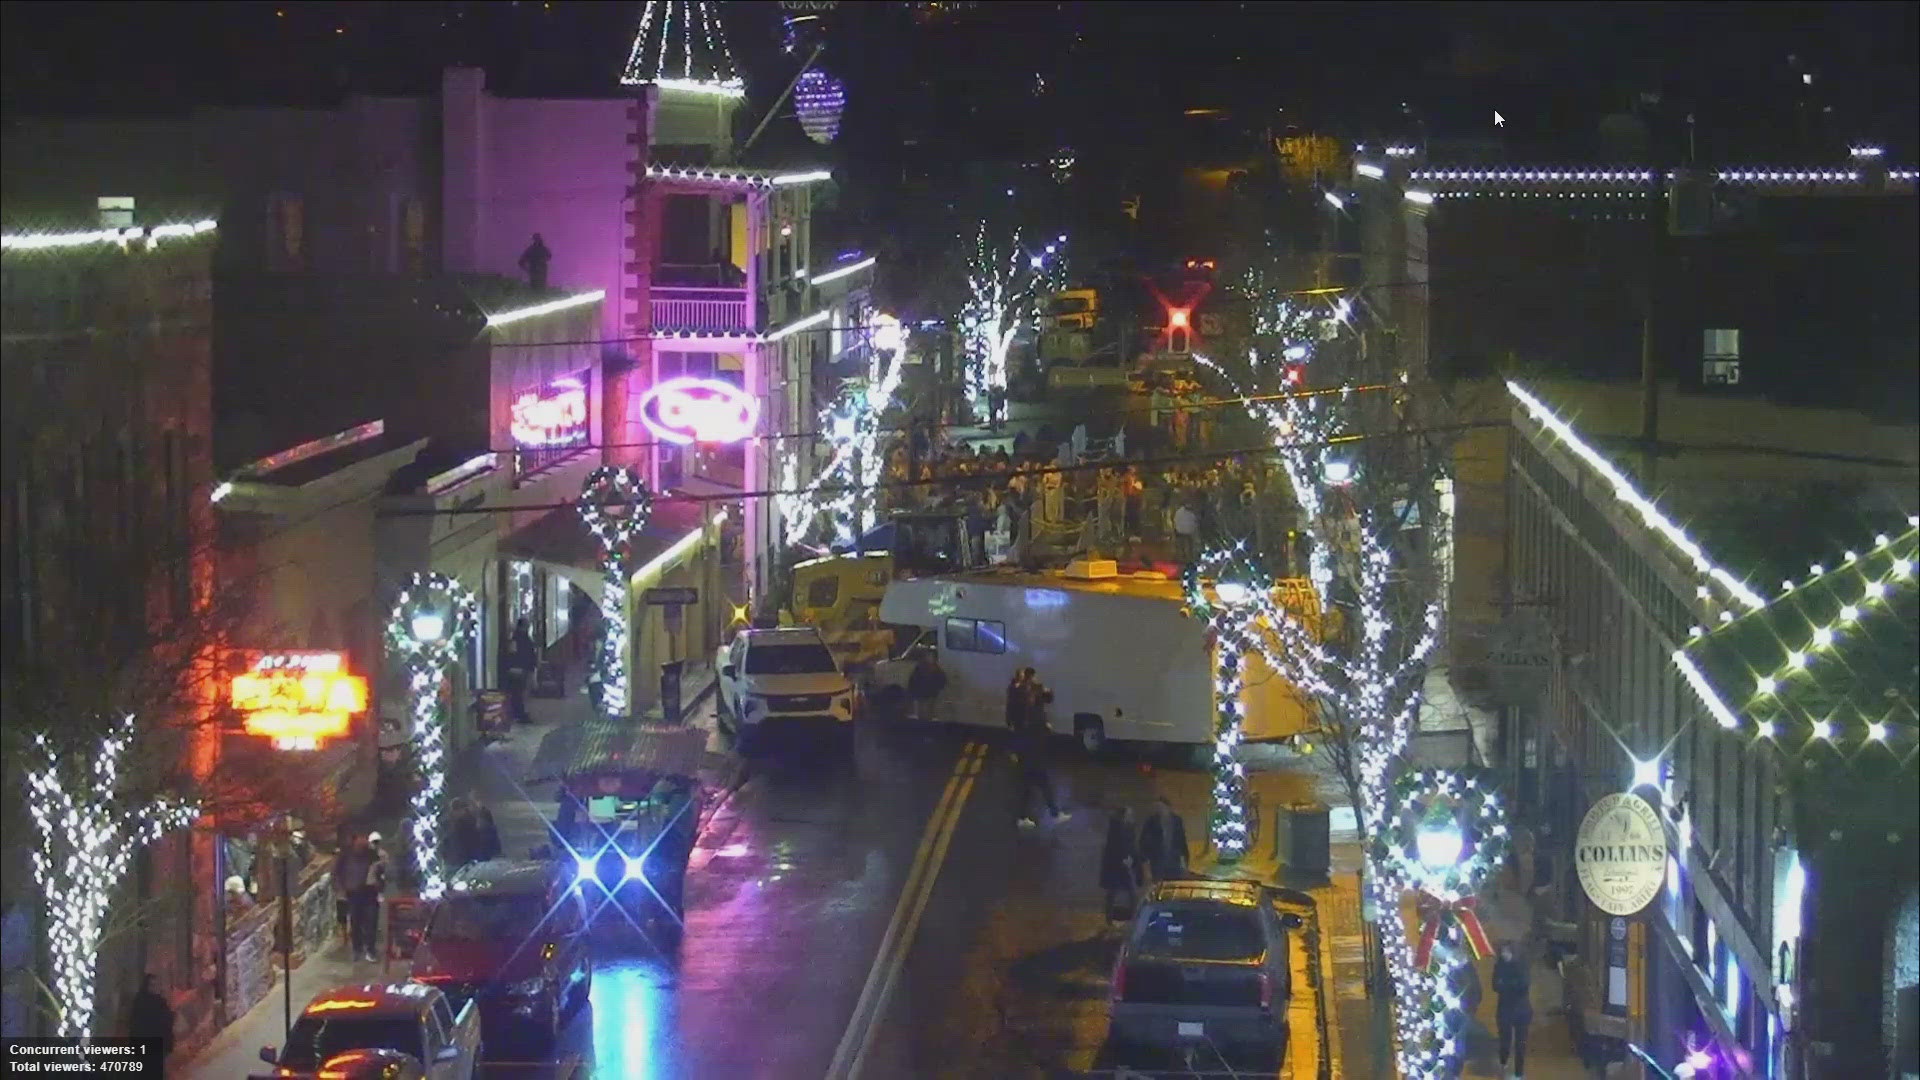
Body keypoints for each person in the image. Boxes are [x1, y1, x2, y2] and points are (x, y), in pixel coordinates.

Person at [1493, 941, 1534, 1079]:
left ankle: (1519, 1073)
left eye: (1507, 952)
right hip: (1505, 1010)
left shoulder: (1521, 966)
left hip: (1521, 1011)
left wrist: (1505, 985)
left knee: (1520, 1043)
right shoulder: (1499, 966)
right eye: (1502, 952)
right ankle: (1503, 1066)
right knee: (1505, 1040)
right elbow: (1495, 985)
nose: (1504, 954)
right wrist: (1511, 985)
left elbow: (1523, 985)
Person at [126, 973, 174, 1074]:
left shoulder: (160, 1002)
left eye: (156, 985)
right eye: (152, 985)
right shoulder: (140, 1002)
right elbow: (135, 1024)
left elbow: (167, 1021)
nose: (154, 988)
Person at [1100, 806, 1141, 922]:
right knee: (1123, 892)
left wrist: (1132, 859)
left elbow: (1131, 845)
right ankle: (1113, 917)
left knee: (1127, 892)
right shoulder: (1117, 828)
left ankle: (1131, 916)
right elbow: (1116, 846)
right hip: (1118, 865)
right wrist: (1125, 858)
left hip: (1125, 864)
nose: (1131, 816)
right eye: (1129, 814)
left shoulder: (1127, 827)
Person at [1137, 795, 1190, 883]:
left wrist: (1184, 859)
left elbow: (1181, 841)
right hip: (1157, 863)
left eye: (1161, 807)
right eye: (1157, 807)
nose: (1159, 810)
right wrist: (1145, 864)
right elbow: (1144, 844)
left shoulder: (1176, 821)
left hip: (1173, 862)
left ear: (1168, 807)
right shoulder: (1151, 822)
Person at [503, 617, 537, 724]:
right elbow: (525, 654)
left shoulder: (515, 638)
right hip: (520, 669)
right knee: (520, 692)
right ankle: (519, 714)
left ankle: (519, 713)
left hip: (518, 669)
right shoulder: (521, 639)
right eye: (527, 625)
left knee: (518, 692)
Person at [907, 647, 946, 722]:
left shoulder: (936, 670)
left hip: (929, 696)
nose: (929, 658)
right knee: (922, 714)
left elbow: (942, 680)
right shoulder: (919, 668)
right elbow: (913, 681)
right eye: (928, 656)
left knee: (928, 713)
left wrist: (936, 690)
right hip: (921, 696)